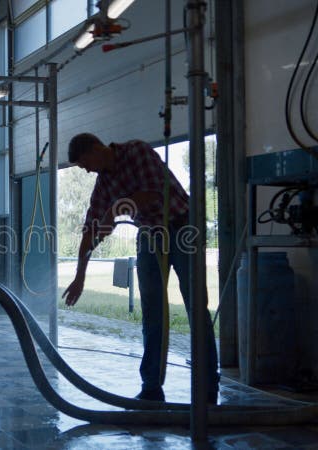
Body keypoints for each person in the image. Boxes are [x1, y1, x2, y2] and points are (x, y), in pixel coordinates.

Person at [61, 132, 219, 403]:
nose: (86, 171)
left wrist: (115, 210)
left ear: (95, 150)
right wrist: (79, 276)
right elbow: (90, 230)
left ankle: (208, 383)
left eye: (84, 164)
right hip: (150, 232)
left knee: (195, 304)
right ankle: (151, 386)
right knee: (152, 311)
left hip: (182, 226)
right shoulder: (103, 185)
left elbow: (152, 194)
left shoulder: (136, 150)